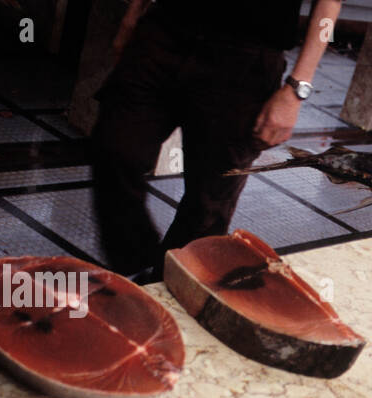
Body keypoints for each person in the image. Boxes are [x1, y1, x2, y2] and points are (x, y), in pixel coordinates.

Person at [89, 0, 344, 280]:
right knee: (113, 148)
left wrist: (298, 88)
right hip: (164, 32)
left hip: (248, 61)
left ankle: (167, 289)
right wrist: (132, 14)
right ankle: (135, 268)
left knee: (209, 201)